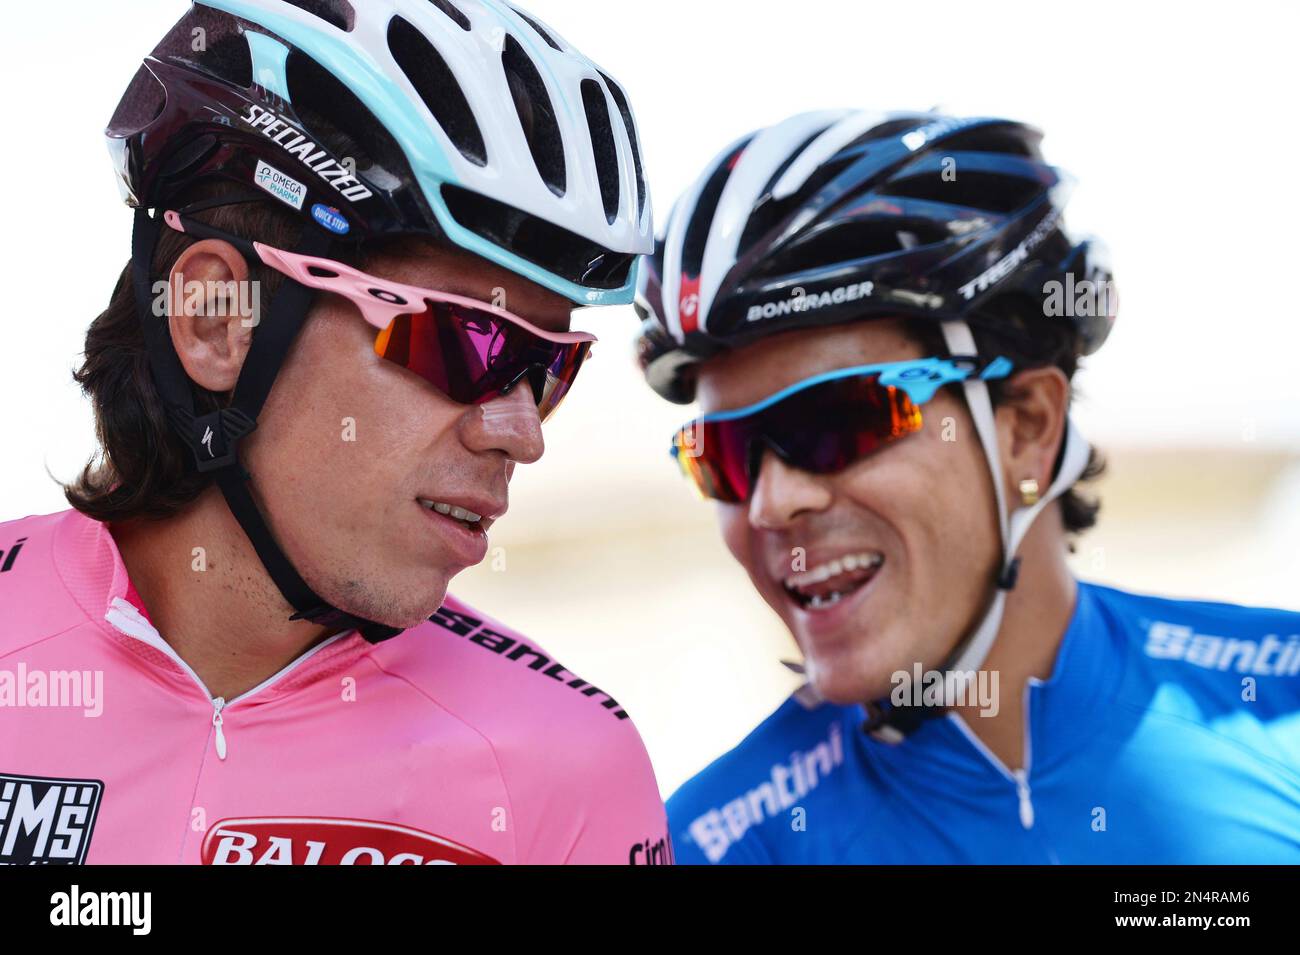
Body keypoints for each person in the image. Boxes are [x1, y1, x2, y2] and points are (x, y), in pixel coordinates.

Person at [0, 0, 670, 865]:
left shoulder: (568, 766)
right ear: (214, 319)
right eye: (468, 342)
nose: (522, 433)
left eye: (551, 368)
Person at [636, 109, 1300, 863]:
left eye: (837, 422)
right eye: (722, 453)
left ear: (1026, 426)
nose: (771, 502)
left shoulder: (1284, 699)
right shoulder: (706, 846)